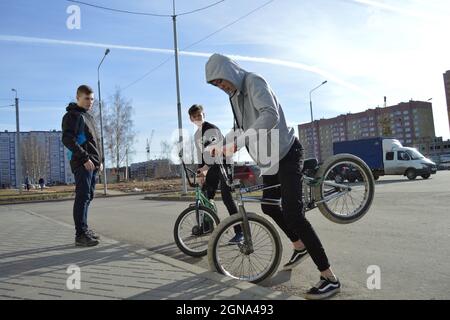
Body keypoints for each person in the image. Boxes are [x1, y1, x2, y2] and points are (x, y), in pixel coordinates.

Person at [205, 53, 341, 300]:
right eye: (216, 85)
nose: (221, 86)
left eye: (221, 81)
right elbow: (239, 128)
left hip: (287, 152)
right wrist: (220, 145)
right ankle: (299, 246)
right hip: (269, 160)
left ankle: (329, 277)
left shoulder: (254, 82)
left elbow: (269, 115)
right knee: (269, 206)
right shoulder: (235, 97)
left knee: (293, 213)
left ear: (229, 71)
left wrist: (237, 145)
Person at [189, 104, 242, 243]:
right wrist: (201, 172)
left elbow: (216, 150)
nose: (197, 119)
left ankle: (240, 232)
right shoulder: (196, 136)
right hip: (211, 166)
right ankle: (207, 226)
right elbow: (201, 156)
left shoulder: (211, 129)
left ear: (204, 115)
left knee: (226, 197)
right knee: (206, 194)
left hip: (224, 163)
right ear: (191, 119)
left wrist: (206, 168)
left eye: (199, 115)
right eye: (194, 117)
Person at [62, 85, 103, 247]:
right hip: (82, 163)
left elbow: (95, 141)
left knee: (88, 197)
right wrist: (85, 158)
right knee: (82, 197)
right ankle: (80, 235)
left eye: (92, 99)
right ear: (78, 97)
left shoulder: (89, 117)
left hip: (93, 163)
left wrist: (101, 161)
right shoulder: (72, 116)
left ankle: (84, 229)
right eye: (87, 98)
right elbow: (67, 140)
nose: (90, 102)